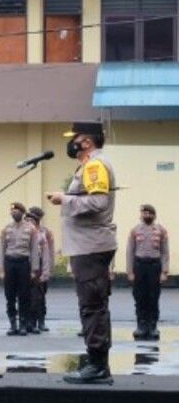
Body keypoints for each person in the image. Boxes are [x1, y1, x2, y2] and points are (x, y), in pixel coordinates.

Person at [47, 121, 118, 384]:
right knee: (94, 305)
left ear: (86, 141)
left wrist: (64, 199)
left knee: (92, 306)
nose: (71, 143)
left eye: (75, 139)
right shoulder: (89, 165)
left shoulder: (95, 165)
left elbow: (98, 202)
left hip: (91, 245)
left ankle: (98, 366)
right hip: (88, 244)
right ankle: (98, 363)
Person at [127, 204, 168, 342]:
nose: (147, 215)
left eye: (150, 213)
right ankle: (141, 326)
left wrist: (164, 271)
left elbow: (165, 252)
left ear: (154, 215)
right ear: (141, 215)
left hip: (154, 266)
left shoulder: (161, 230)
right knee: (139, 297)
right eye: (145, 213)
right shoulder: (134, 231)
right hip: (139, 266)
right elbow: (130, 252)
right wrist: (130, 271)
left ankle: (153, 326)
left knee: (153, 297)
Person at [0, 201, 37, 336]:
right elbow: (1, 249)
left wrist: (34, 270)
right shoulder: (6, 229)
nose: (14, 213)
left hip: (23, 263)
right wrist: (1, 269)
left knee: (24, 296)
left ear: (22, 213)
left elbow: (34, 250)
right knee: (10, 296)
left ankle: (23, 324)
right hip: (9, 263)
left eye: (17, 211)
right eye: (12, 211)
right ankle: (13, 324)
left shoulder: (31, 229)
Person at [27, 206, 53, 331]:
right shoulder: (26, 230)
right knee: (29, 295)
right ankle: (30, 321)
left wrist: (48, 269)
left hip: (42, 265)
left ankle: (41, 321)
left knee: (40, 296)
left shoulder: (45, 232)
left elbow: (49, 251)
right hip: (28, 264)